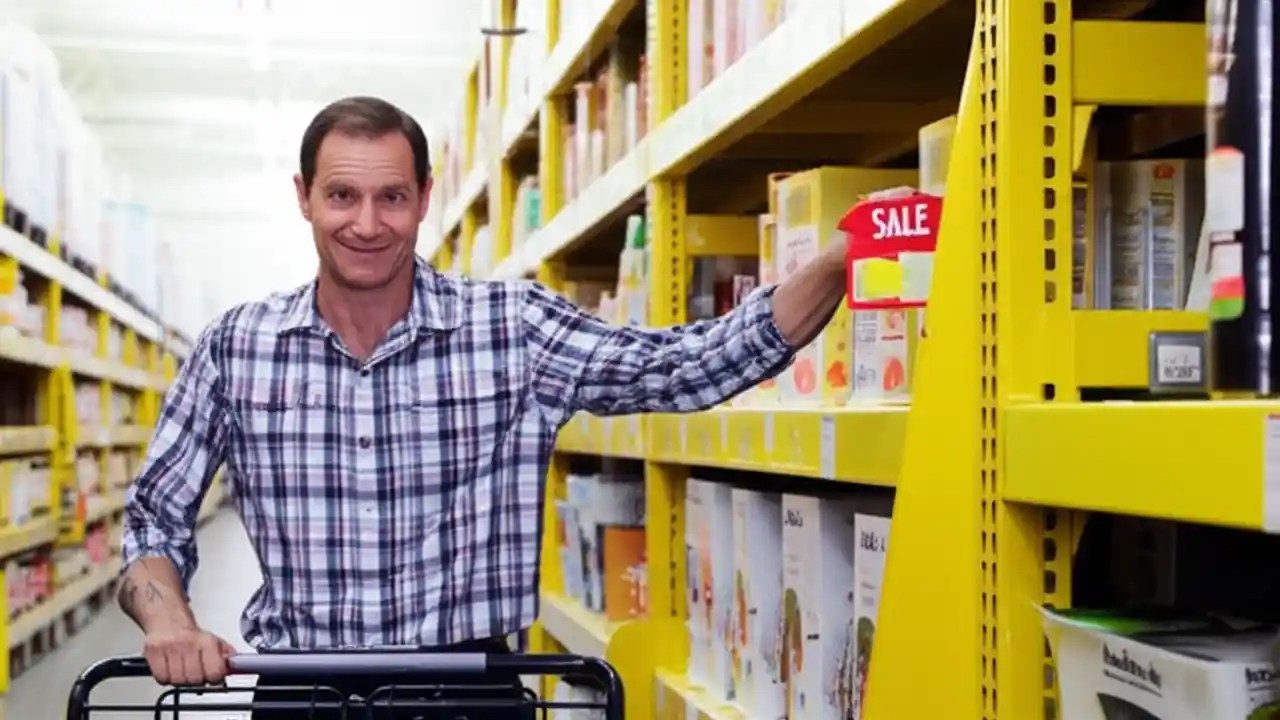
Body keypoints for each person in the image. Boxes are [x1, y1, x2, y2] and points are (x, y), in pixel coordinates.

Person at [117, 96, 852, 719]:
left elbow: (677, 370)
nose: (367, 224)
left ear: (425, 199)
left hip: (469, 694)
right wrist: (170, 618)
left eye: (392, 197)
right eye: (342, 195)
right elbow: (155, 515)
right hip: (299, 692)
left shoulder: (511, 329)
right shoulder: (237, 347)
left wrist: (837, 262)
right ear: (303, 196)